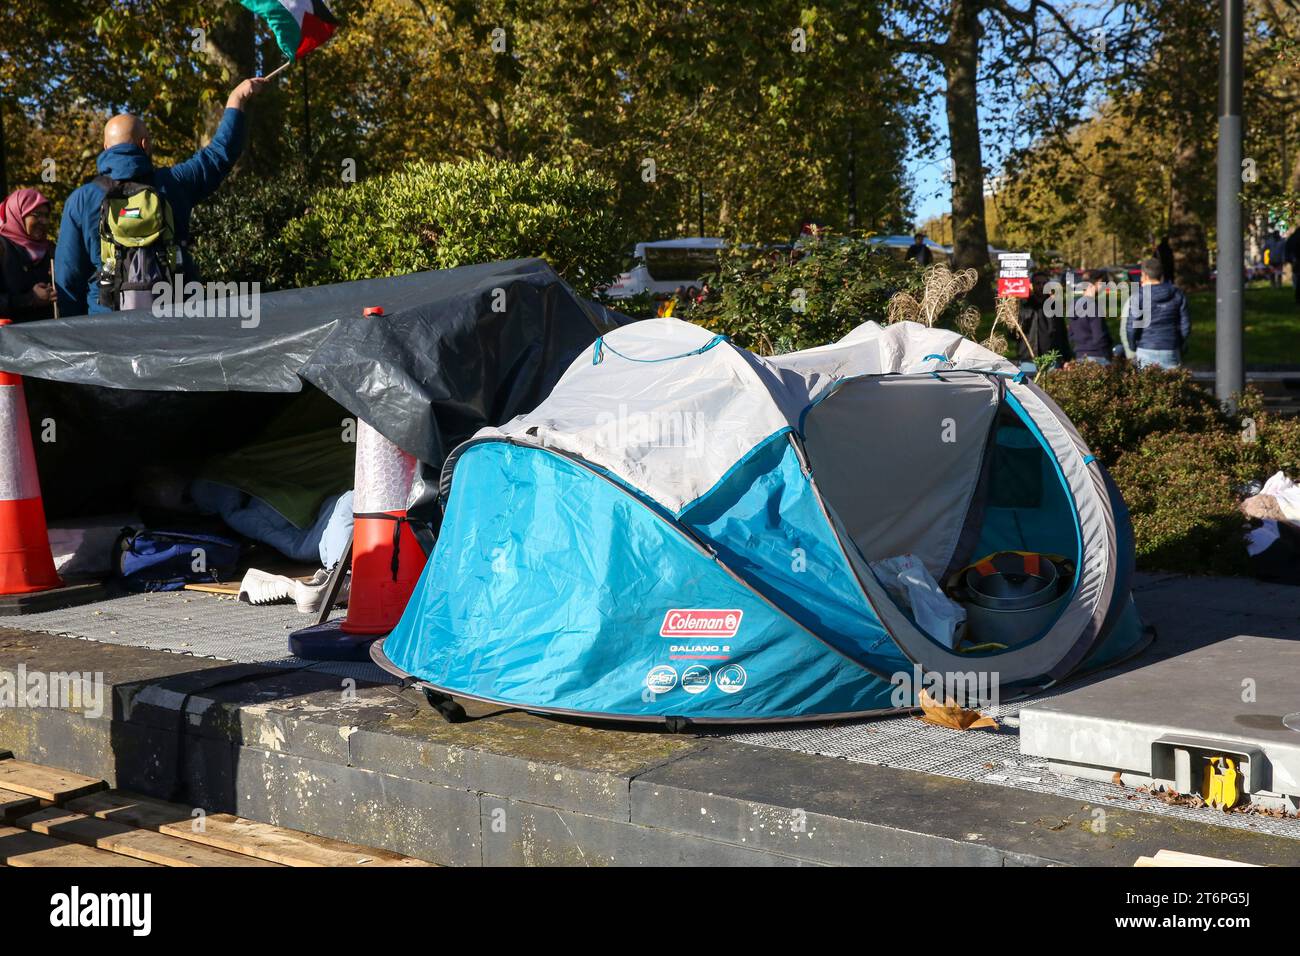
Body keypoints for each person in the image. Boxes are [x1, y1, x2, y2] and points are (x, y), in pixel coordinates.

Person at [54, 77, 267, 316]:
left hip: (109, 329)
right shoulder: (174, 183)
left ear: (105, 148)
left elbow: (67, 278)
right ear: (145, 144)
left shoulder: (81, 200)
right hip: (174, 320)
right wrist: (236, 100)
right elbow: (220, 154)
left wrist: (75, 338)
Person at [0, 188, 57, 322]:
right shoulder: (3, 248)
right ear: (17, 214)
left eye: (46, 215)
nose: (44, 221)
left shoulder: (50, 249)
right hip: (10, 338)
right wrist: (30, 299)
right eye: (36, 215)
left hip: (49, 335)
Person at [1125, 257, 1190, 369]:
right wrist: (1177, 342)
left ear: (1144, 275)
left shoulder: (1139, 296)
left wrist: (1132, 346)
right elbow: (1185, 325)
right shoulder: (1177, 294)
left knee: (1148, 385)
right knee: (1172, 384)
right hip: (1170, 347)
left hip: (1146, 347)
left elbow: (1132, 326)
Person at [1016, 271, 1073, 373]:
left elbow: (1062, 333)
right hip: (1029, 359)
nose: (1041, 286)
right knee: (1028, 389)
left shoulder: (1054, 306)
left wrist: (1066, 358)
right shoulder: (1024, 306)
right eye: (1038, 283)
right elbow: (1014, 334)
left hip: (1051, 359)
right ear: (1032, 285)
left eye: (1044, 284)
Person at [1068, 269, 1115, 364]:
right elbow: (1099, 335)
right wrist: (1108, 355)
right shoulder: (1093, 306)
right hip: (1097, 356)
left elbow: (1071, 334)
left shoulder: (1074, 305)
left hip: (1080, 355)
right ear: (1098, 282)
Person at [1287, 226, 1300, 305]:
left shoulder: (1292, 237)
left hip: (1296, 260)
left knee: (1297, 278)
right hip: (1297, 260)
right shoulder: (1294, 238)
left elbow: (1288, 248)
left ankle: (1297, 297)